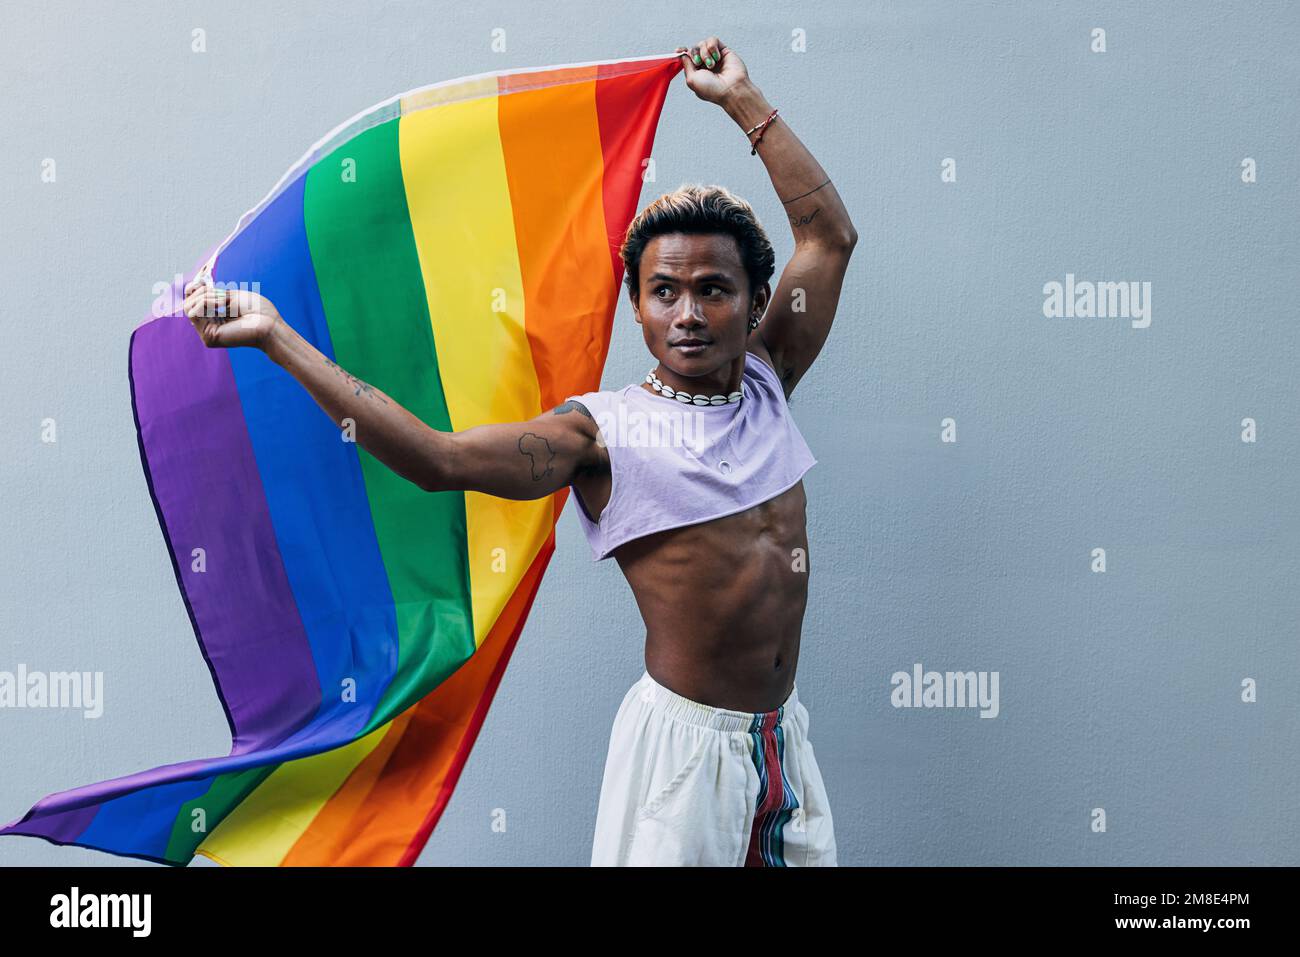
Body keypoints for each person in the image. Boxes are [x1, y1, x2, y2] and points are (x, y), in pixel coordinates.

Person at [182, 35, 857, 866]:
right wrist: (280, 339)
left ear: (756, 300)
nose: (687, 312)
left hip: (784, 740)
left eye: (713, 290)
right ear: (636, 311)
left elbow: (828, 236)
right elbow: (438, 459)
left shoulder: (767, 376)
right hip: (681, 761)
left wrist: (741, 100)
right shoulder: (597, 435)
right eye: (664, 291)